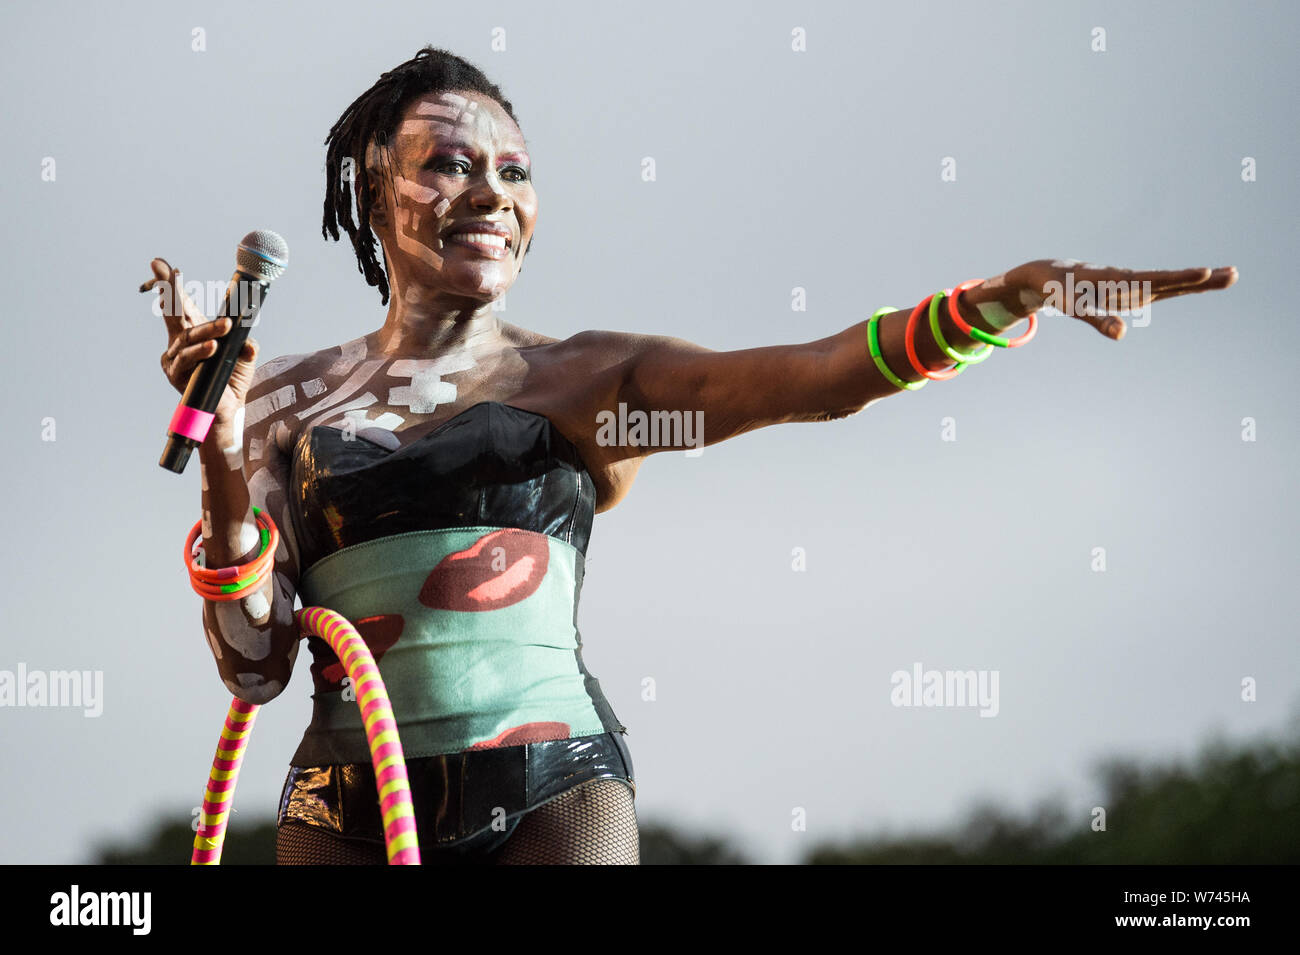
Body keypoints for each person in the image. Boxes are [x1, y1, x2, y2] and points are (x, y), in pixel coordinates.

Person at [147, 46, 1237, 865]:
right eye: (450, 165)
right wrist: (224, 455)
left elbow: (813, 379)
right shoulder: (283, 402)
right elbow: (256, 667)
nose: (491, 194)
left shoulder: (592, 383)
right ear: (374, 190)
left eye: (515, 171)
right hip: (342, 805)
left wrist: (1001, 300)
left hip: (553, 792)